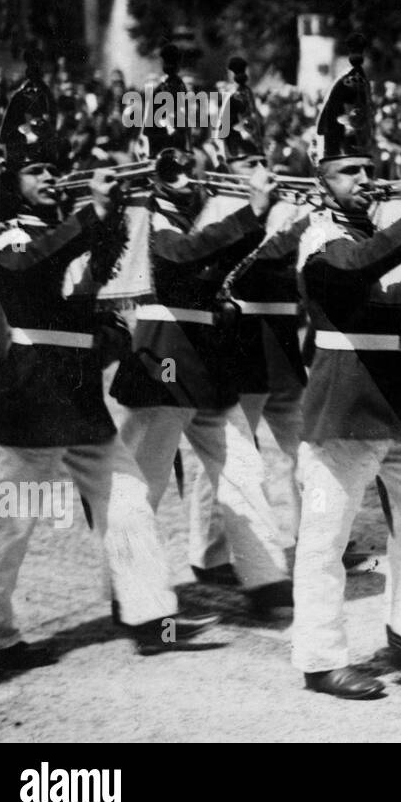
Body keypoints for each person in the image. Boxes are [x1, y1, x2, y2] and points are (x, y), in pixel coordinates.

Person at [0, 52, 218, 666]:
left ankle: (149, 616)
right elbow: (29, 273)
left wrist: (110, 235)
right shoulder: (7, 234)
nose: (49, 178)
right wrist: (92, 215)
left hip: (77, 391)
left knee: (128, 499)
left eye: (54, 168)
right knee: (9, 525)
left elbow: (89, 303)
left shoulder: (68, 232)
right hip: (31, 392)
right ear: (12, 179)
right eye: (34, 171)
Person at [290, 36, 401, 699]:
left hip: (394, 400)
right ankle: (321, 657)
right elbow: (348, 276)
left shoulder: (369, 231)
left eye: (367, 168)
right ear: (322, 178)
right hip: (341, 405)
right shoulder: (317, 233)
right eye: (348, 171)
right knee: (325, 534)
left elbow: (389, 305)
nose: (363, 180)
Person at [110, 44, 293, 615]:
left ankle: (264, 577)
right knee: (142, 485)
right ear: (148, 165)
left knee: (243, 468)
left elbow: (213, 261)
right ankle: (132, 597)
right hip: (163, 354)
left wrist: (249, 218)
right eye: (170, 164)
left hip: (208, 357)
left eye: (188, 163)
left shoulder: (204, 205)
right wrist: (252, 217)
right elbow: (183, 258)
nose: (184, 175)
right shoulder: (140, 213)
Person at [187, 57, 308, 582]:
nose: (259, 171)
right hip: (243, 336)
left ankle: (314, 536)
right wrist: (284, 223)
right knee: (234, 452)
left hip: (282, 334)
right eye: (245, 164)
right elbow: (237, 266)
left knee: (306, 448)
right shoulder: (219, 210)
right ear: (224, 166)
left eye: (261, 159)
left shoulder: (276, 204)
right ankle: (209, 552)